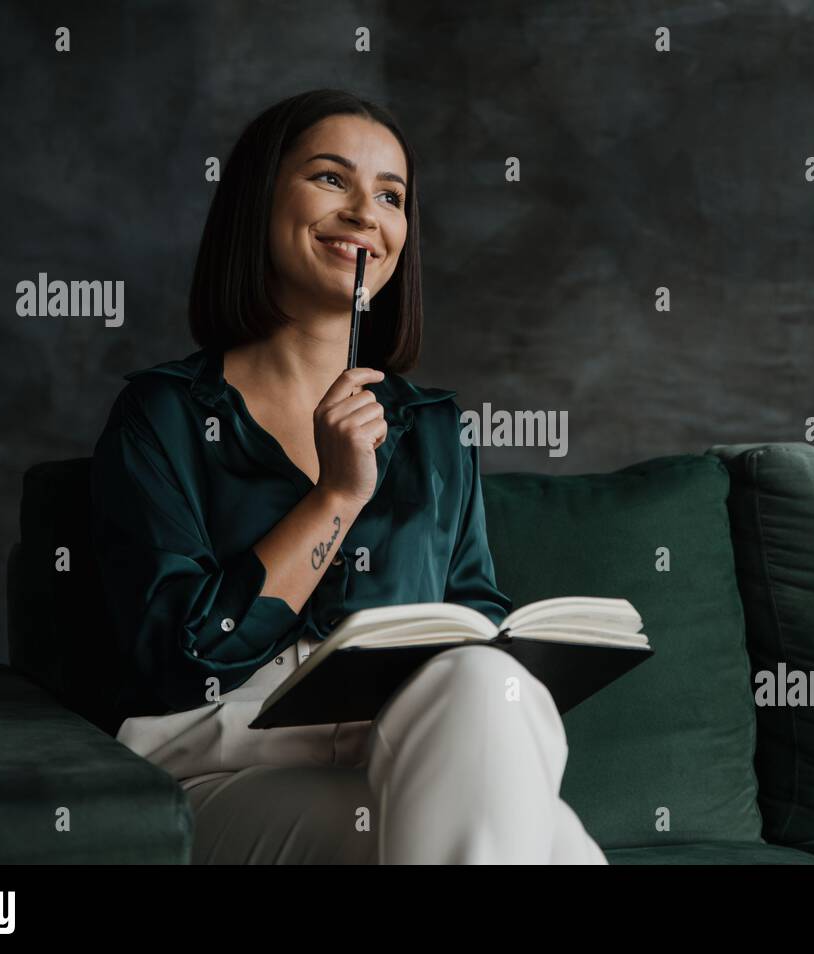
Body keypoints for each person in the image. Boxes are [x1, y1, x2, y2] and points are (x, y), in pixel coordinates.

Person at [88, 89, 608, 865]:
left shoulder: (433, 428)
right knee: (549, 842)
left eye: (391, 196)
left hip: (408, 749)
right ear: (258, 202)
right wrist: (337, 495)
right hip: (222, 770)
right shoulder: (160, 415)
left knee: (487, 713)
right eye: (332, 179)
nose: (367, 213)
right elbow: (183, 659)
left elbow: (474, 613)